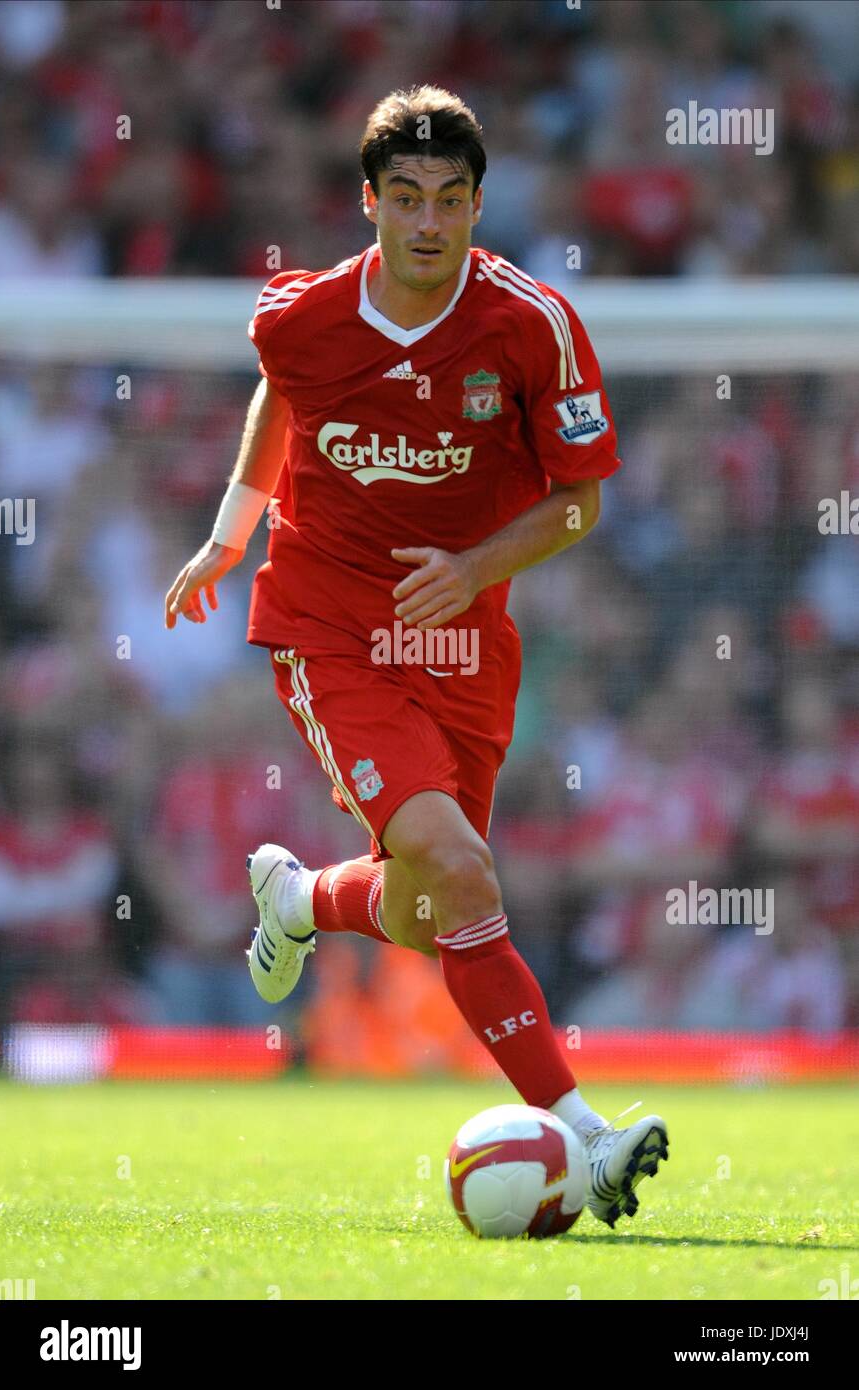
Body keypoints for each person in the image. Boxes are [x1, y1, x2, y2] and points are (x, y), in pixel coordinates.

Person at [164, 86, 668, 1227]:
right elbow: (282, 394)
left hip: (462, 638)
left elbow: (581, 502)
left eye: (450, 200)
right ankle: (587, 1138)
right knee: (463, 864)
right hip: (328, 619)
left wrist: (479, 565)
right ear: (369, 203)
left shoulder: (529, 324)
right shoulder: (302, 316)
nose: (428, 222)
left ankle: (298, 895)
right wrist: (228, 536)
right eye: (405, 199)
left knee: (433, 907)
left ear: (478, 206)